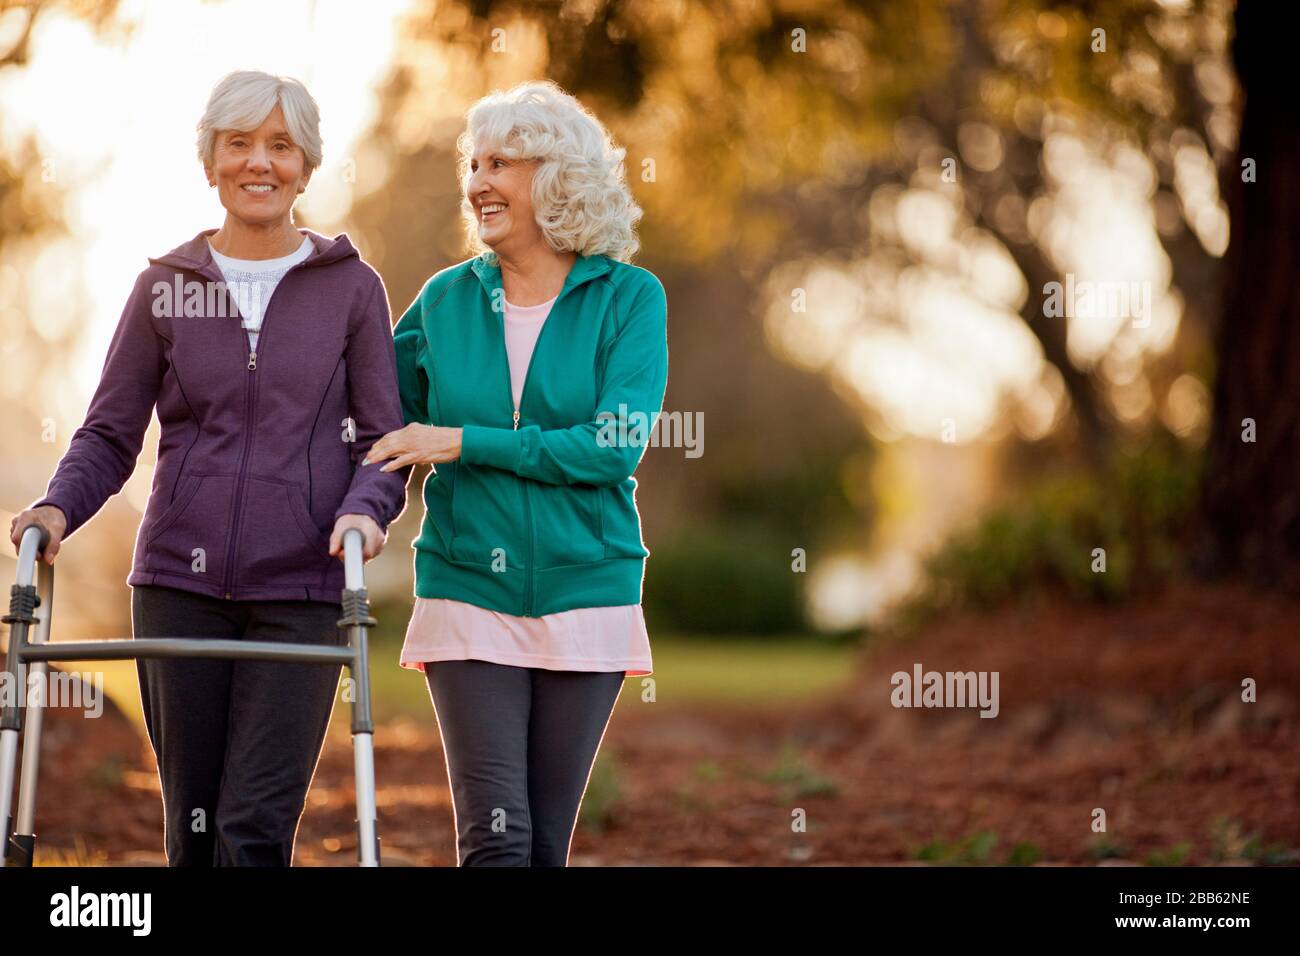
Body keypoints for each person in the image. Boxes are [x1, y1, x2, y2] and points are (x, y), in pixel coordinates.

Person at [8, 70, 409, 865]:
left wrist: (365, 509)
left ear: (306, 164)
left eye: (280, 146)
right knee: (191, 827)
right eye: (240, 144)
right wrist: (56, 509)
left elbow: (384, 442)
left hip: (301, 588)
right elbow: (109, 434)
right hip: (176, 590)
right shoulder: (163, 287)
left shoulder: (352, 290)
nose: (259, 163)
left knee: (253, 828)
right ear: (211, 160)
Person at [365, 79, 668, 866]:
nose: (477, 183)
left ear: (557, 176)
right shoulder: (443, 303)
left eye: (501, 163)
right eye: (473, 164)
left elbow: (612, 447)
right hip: (468, 588)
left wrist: (468, 442)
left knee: (542, 848)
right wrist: (359, 512)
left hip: (587, 591)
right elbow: (377, 432)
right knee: (496, 842)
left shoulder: (629, 299)